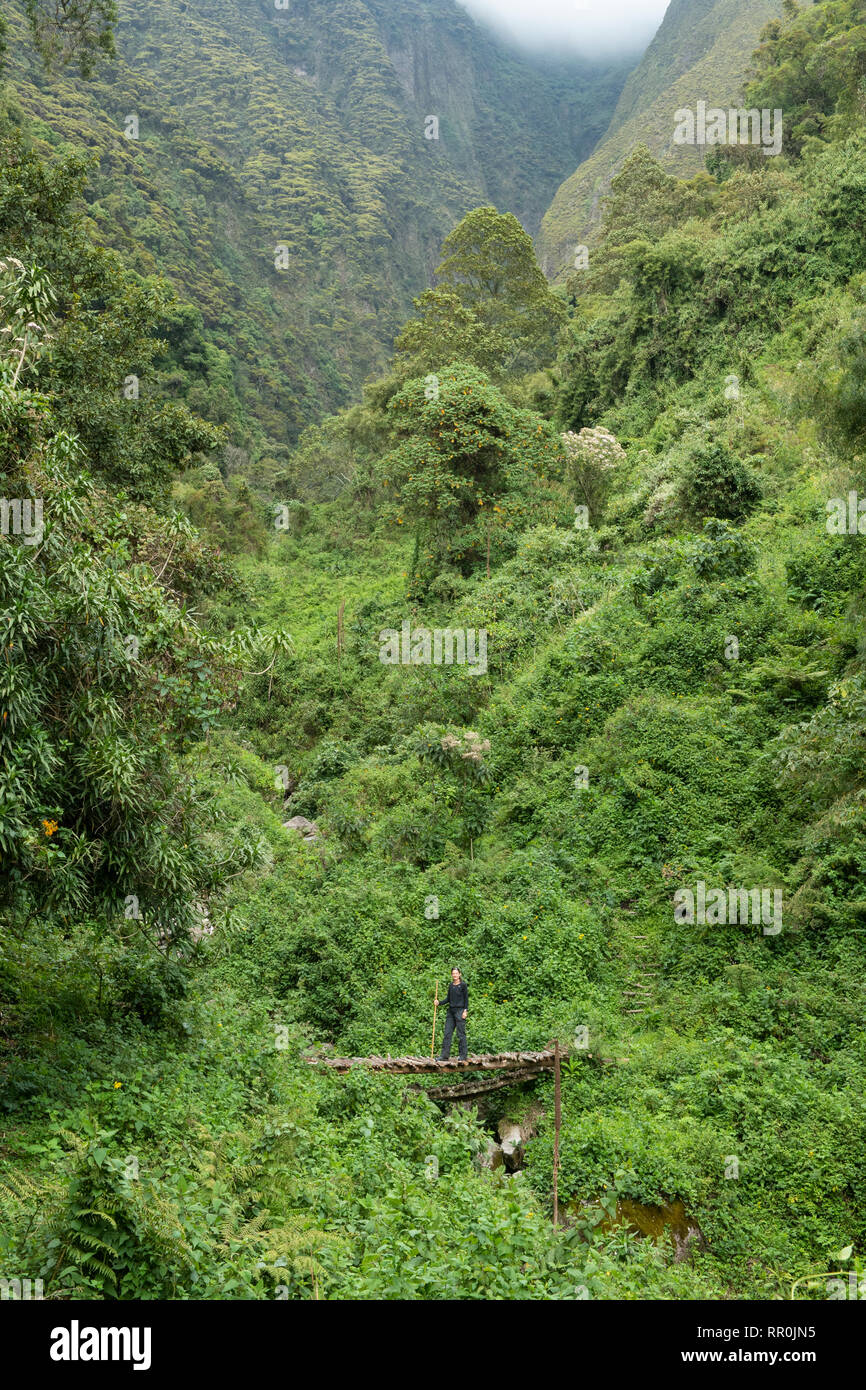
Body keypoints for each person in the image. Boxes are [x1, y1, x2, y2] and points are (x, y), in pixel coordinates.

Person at [438, 967, 469, 1062]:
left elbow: (466, 999)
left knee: (461, 1034)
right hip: (451, 1012)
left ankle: (463, 1056)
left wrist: (465, 1011)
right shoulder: (451, 985)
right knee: (447, 1033)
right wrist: (439, 1002)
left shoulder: (463, 985)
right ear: (451, 975)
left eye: (456, 973)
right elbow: (448, 999)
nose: (454, 975)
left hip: (460, 1011)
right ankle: (444, 1056)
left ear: (459, 974)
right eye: (453, 973)